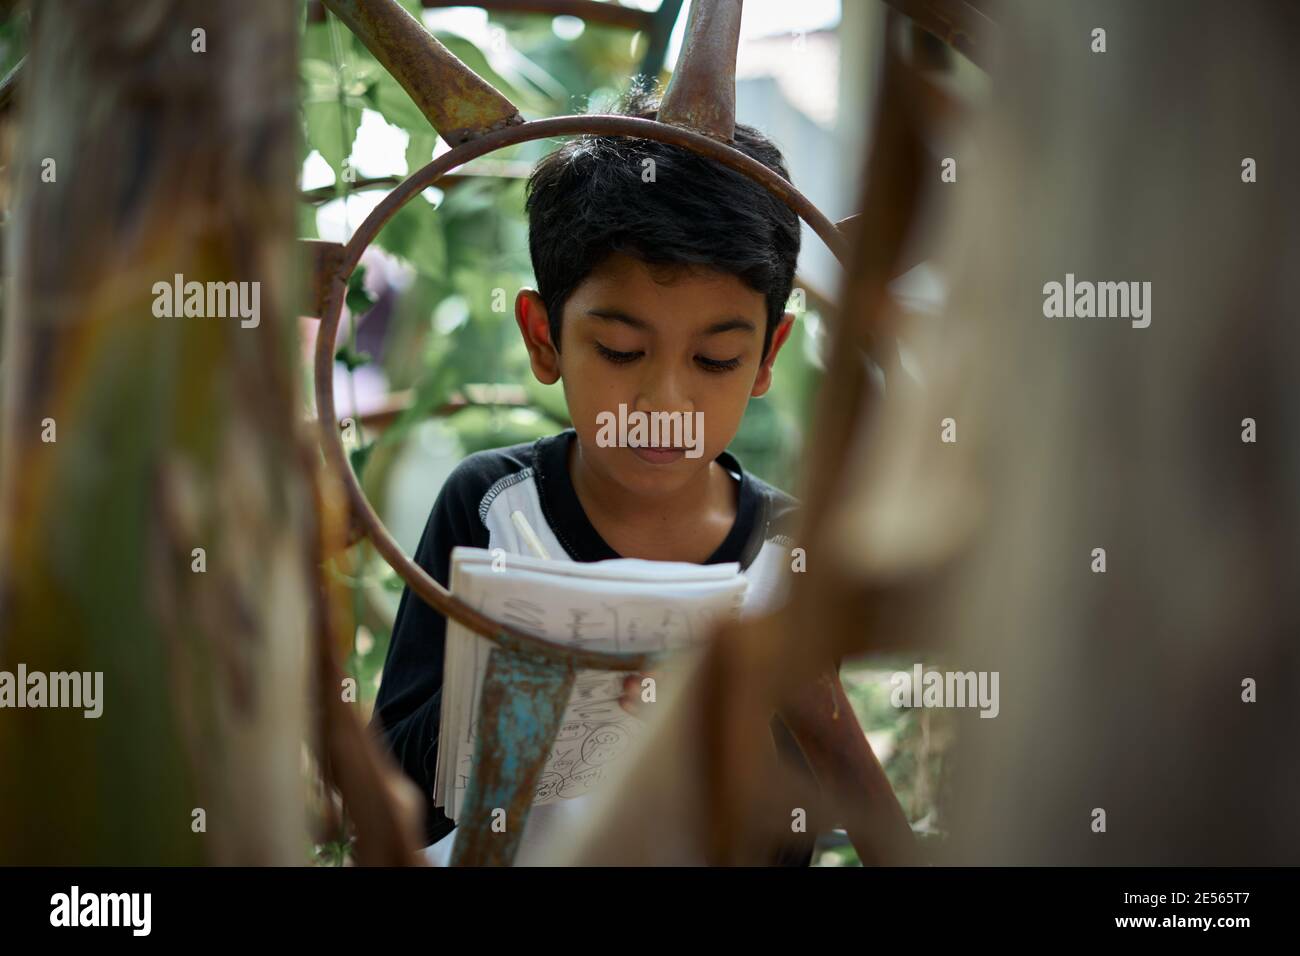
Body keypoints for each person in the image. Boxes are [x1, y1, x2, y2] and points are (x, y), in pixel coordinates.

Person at [372, 88, 835, 865]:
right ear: (543, 337)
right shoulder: (491, 509)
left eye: (716, 359)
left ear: (767, 357)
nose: (664, 402)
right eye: (621, 350)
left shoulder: (789, 553)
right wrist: (505, 686)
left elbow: (791, 841)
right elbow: (397, 807)